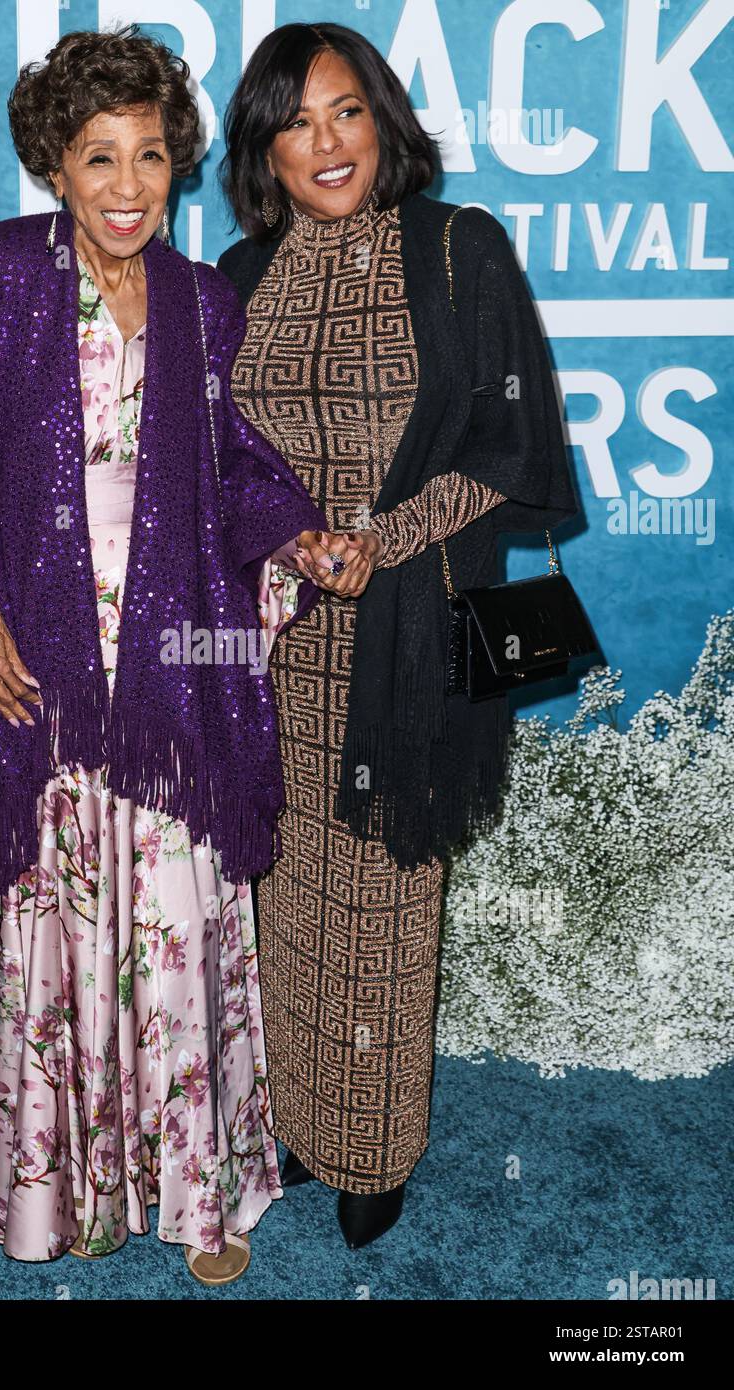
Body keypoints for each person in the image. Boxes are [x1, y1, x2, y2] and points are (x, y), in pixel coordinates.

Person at [0, 25, 326, 1285]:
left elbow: (236, 473)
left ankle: (201, 1197)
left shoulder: (203, 301)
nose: (127, 186)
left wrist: (298, 534)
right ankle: (64, 1187)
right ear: (54, 164)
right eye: (98, 158)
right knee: (58, 938)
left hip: (169, 680)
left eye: (148, 154)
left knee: (181, 935)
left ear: (176, 161)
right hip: (36, 669)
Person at [217, 22, 578, 1249]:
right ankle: (299, 1124)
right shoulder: (237, 270)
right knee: (283, 889)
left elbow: (505, 440)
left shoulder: (456, 249)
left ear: (383, 120)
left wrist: (386, 536)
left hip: (406, 620)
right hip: (273, 632)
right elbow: (215, 457)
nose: (322, 144)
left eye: (345, 113)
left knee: (380, 893)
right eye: (293, 121)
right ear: (261, 146)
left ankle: (370, 1144)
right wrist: (285, 541)